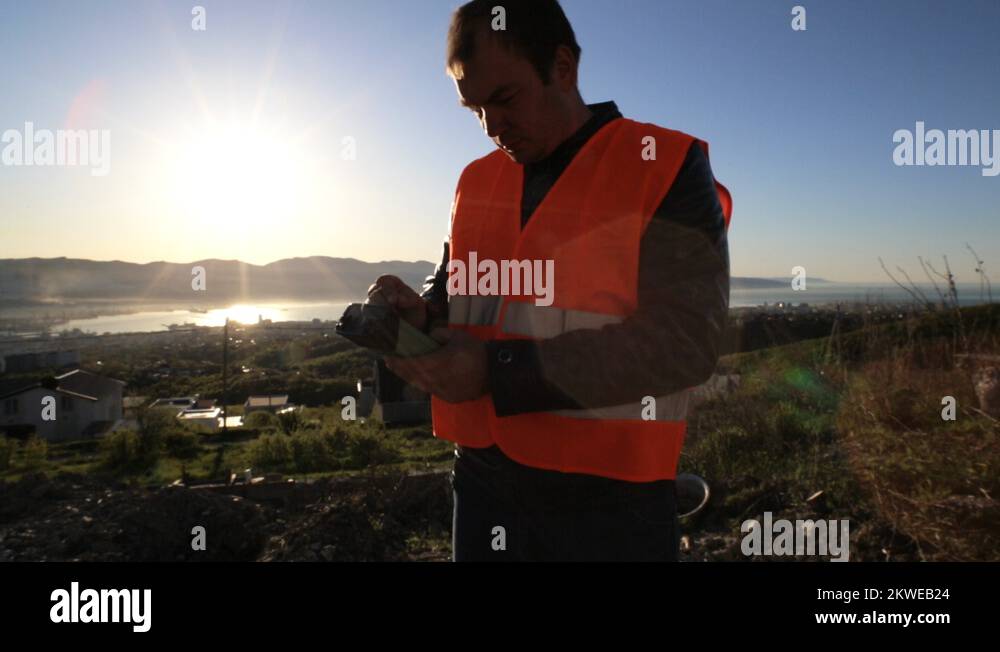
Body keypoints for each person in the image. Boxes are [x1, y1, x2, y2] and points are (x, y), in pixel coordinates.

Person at [368, 0, 731, 561]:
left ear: (563, 68)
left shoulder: (663, 164)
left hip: (613, 504)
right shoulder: (475, 181)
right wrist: (421, 317)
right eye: (474, 109)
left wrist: (493, 371)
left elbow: (685, 343)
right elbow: (460, 295)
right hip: (483, 485)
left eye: (505, 99)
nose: (492, 127)